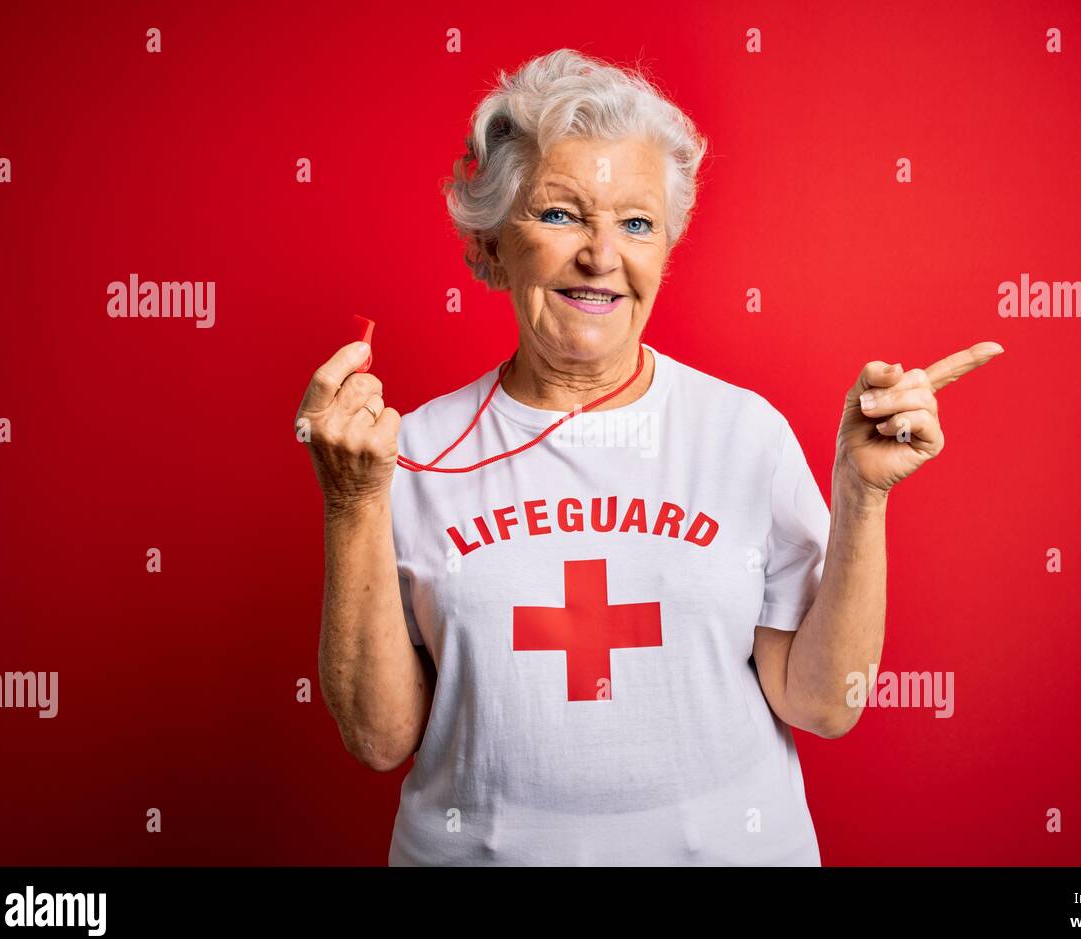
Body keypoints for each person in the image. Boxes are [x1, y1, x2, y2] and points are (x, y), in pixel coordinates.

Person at [295, 48, 1003, 865]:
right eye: (560, 215)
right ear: (491, 248)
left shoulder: (746, 434)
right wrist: (352, 502)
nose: (602, 256)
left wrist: (863, 496)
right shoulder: (403, 452)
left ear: (664, 252)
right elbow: (381, 740)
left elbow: (822, 704)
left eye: (636, 223)